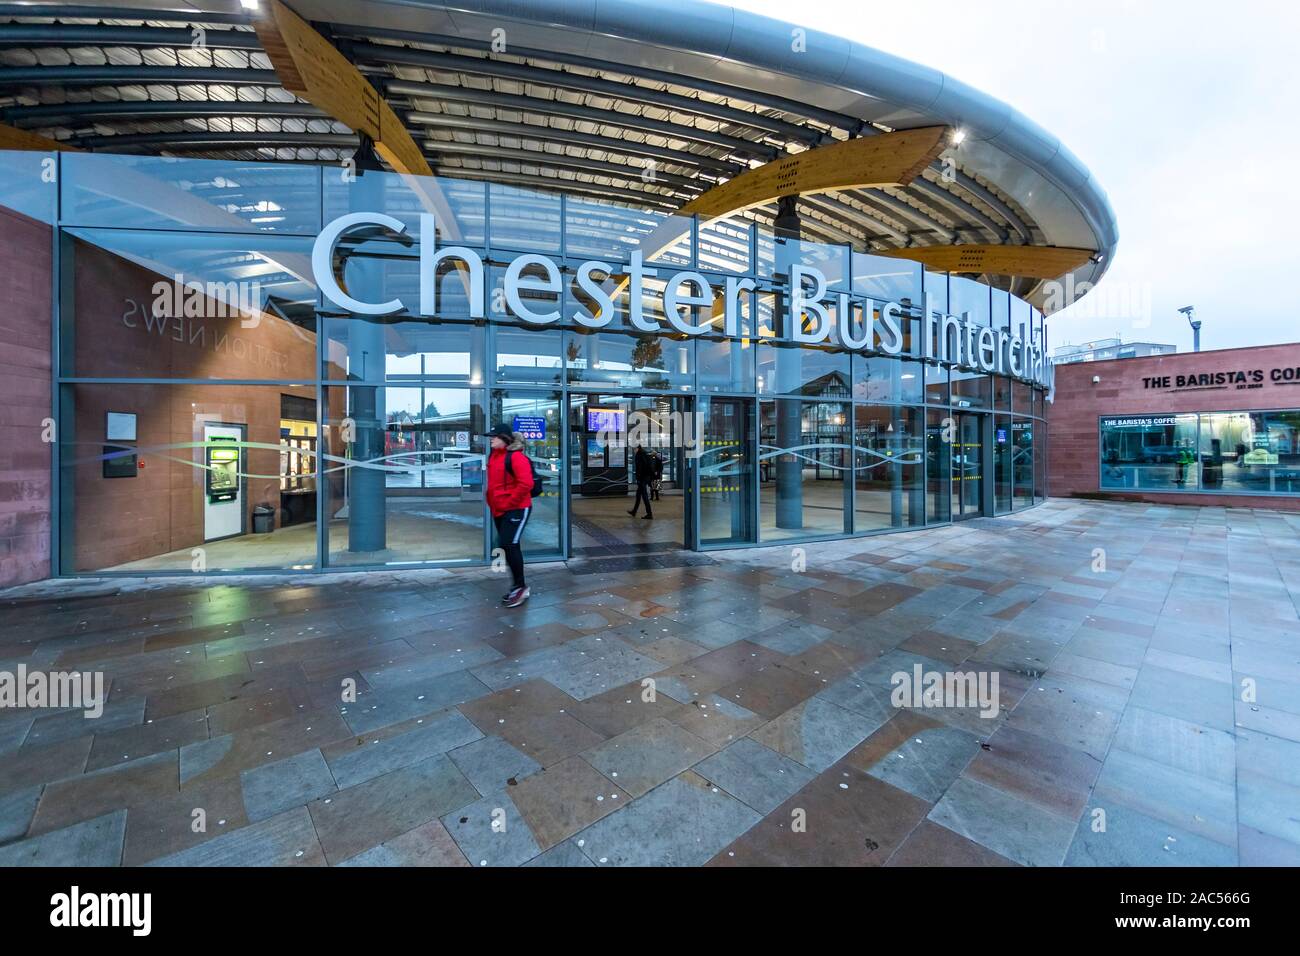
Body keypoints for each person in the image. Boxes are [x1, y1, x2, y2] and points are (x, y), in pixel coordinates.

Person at [484, 423, 532, 607]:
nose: (491, 439)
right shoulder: (494, 456)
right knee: (509, 545)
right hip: (500, 509)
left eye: (494, 436)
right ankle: (518, 586)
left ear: (504, 438)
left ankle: (520, 587)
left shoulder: (516, 458)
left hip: (517, 508)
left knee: (508, 544)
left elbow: (525, 484)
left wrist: (509, 503)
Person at [627, 443, 654, 519]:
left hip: (642, 478)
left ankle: (649, 514)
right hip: (646, 477)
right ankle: (634, 511)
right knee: (638, 495)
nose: (633, 450)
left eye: (634, 449)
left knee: (644, 496)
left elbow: (640, 467)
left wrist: (639, 478)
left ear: (637, 448)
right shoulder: (644, 453)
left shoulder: (640, 455)